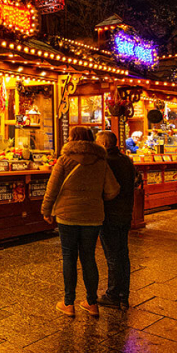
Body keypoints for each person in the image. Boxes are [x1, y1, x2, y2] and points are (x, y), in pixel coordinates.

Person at [41, 126, 120, 318]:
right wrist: (94, 198)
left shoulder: (64, 159)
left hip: (67, 216)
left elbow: (52, 187)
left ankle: (69, 303)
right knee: (88, 257)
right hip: (93, 217)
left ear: (72, 139)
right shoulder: (101, 161)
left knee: (69, 257)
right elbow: (112, 190)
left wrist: (46, 209)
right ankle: (92, 303)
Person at [95, 131, 136, 309]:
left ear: (103, 144)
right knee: (123, 254)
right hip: (125, 213)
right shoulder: (126, 160)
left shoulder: (104, 163)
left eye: (97, 141)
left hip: (109, 214)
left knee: (112, 255)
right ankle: (124, 296)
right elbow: (137, 180)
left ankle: (113, 294)